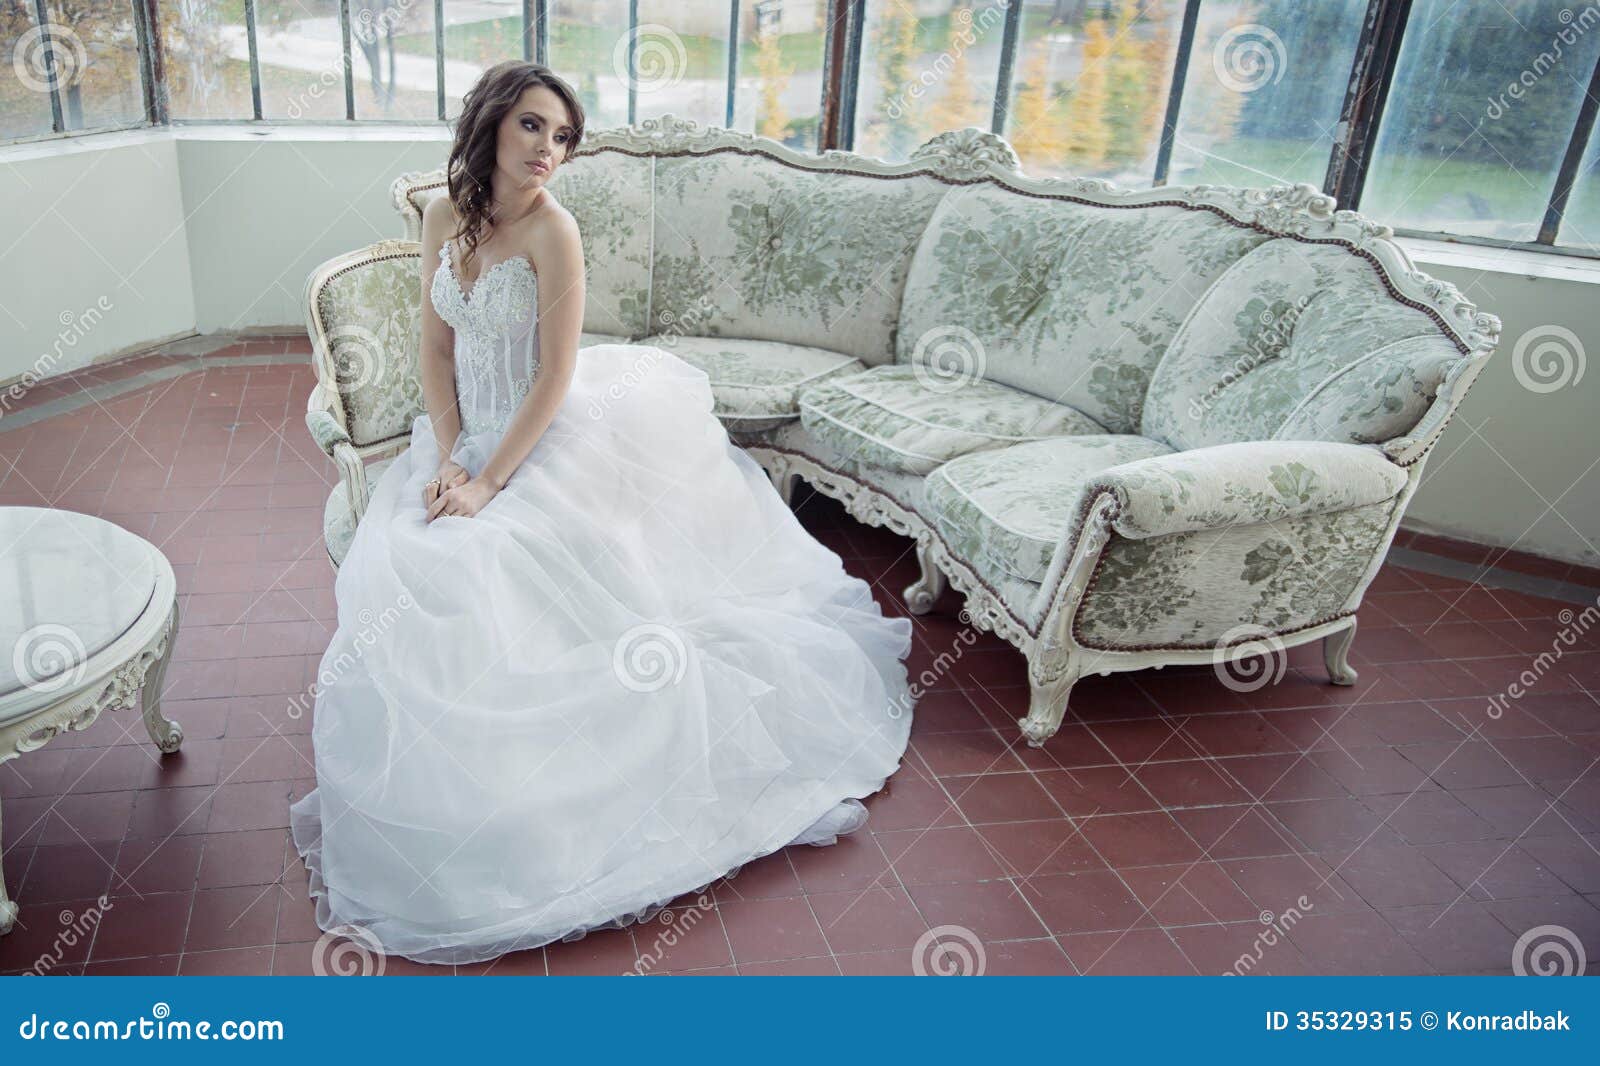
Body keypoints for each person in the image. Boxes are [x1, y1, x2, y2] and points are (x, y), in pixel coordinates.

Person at [288, 61, 916, 965]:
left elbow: (554, 376)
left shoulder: (555, 232)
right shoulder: (443, 216)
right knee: (409, 560)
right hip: (468, 440)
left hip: (542, 439)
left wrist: (492, 481)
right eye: (535, 128)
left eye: (564, 137)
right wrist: (453, 449)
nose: (551, 151)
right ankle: (456, 785)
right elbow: (436, 345)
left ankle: (544, 794)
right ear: (494, 126)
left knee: (488, 563)